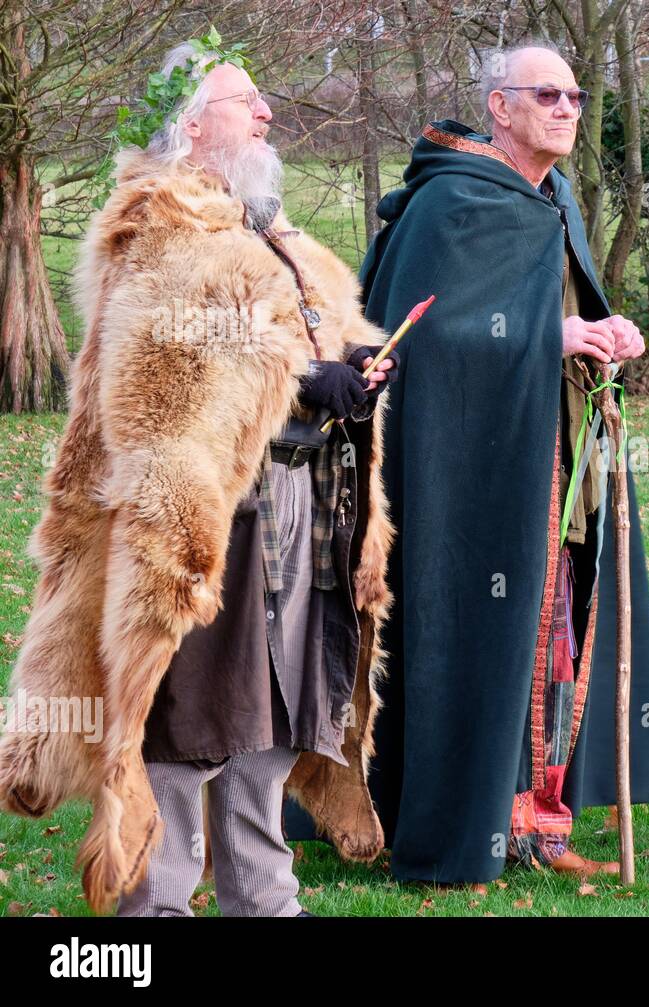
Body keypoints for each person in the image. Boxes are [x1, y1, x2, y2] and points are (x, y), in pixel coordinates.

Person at [0, 39, 397, 915]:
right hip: (194, 544)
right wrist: (302, 382)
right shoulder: (160, 232)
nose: (264, 113)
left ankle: (266, 902)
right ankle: (153, 919)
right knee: (182, 741)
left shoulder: (269, 233)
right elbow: (167, 382)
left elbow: (308, 335)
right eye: (242, 99)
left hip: (290, 540)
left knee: (265, 734)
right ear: (189, 127)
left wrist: (355, 373)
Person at [356, 43, 649, 883]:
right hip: (472, 471)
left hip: (559, 455)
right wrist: (553, 336)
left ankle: (539, 819)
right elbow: (416, 336)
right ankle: (469, 819)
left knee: (554, 634)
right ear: (500, 106)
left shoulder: (552, 199)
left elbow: (560, 307)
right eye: (548, 94)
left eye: (575, 94)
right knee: (482, 631)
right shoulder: (452, 203)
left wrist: (608, 332)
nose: (568, 108)